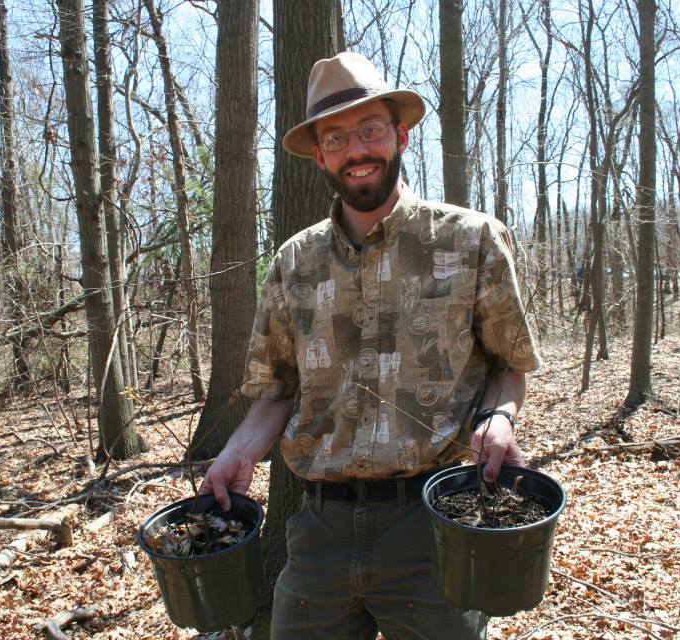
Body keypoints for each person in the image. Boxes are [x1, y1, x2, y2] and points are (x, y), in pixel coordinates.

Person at [200, 51, 541, 639]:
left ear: (401, 135)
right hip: (318, 536)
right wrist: (238, 450)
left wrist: (500, 418)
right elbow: (278, 389)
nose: (356, 149)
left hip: (435, 525)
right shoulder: (294, 263)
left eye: (371, 129)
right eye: (336, 138)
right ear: (319, 155)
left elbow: (509, 366)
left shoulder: (471, 240)